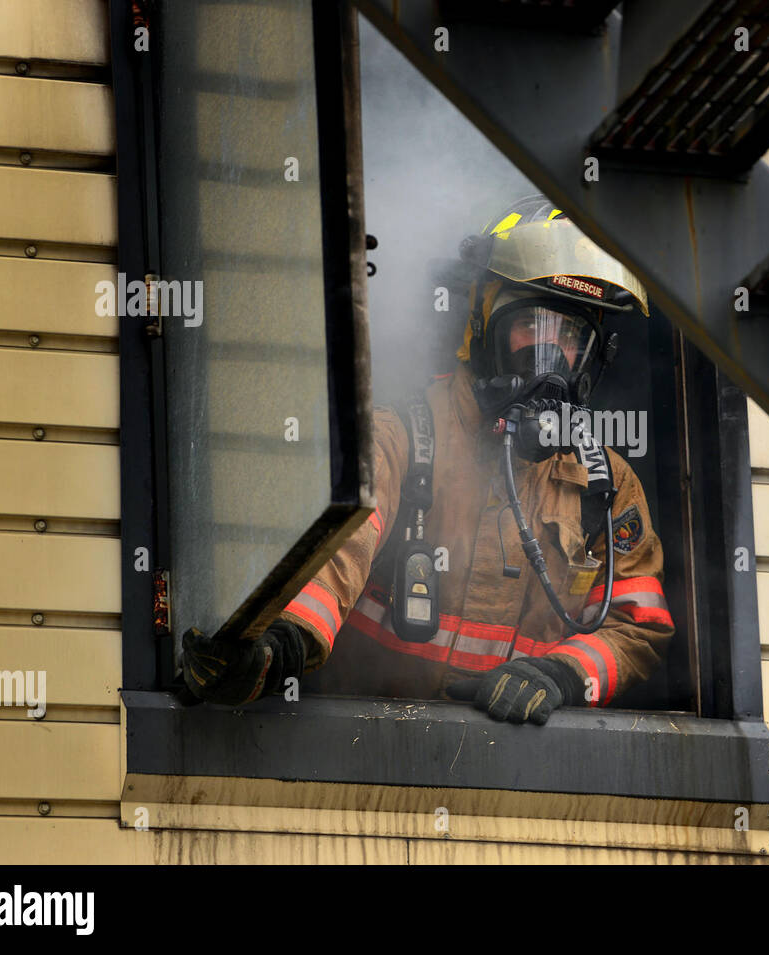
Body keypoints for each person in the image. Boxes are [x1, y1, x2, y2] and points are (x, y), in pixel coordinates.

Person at [182, 196, 674, 725]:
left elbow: (637, 626)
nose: (550, 357)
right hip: (369, 748)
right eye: (530, 326)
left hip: (507, 768)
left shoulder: (605, 484)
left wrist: (563, 673)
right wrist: (277, 648)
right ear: (482, 326)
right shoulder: (400, 439)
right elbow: (334, 560)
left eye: (572, 337)